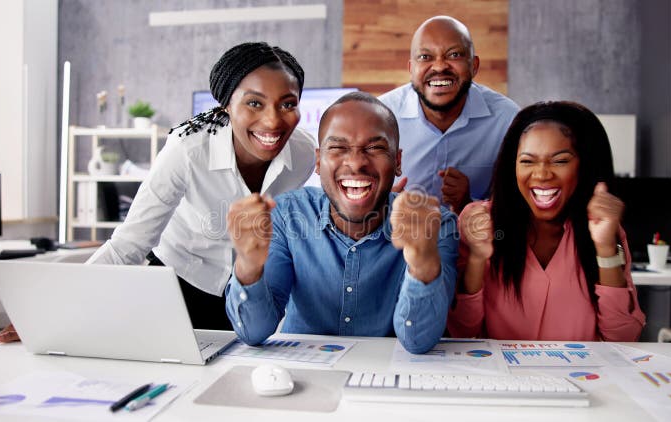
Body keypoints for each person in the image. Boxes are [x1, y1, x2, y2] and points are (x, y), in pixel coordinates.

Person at [0, 42, 315, 342]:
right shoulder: (188, 150)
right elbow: (127, 245)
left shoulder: (302, 154)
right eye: (254, 102)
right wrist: (52, 314)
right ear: (227, 104)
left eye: (288, 104)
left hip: (249, 292)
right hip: (177, 286)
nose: (273, 120)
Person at [224, 92, 458, 354]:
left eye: (375, 148)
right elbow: (253, 333)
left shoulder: (436, 226)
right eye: (338, 148)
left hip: (383, 378)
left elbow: (418, 340)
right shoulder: (287, 217)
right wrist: (247, 265)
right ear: (318, 161)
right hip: (302, 376)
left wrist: (423, 263)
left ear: (398, 161)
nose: (356, 163)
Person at [447, 101, 646, 341]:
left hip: (580, 376)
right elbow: (462, 332)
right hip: (503, 377)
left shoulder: (602, 228)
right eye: (527, 161)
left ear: (583, 167)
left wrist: (605, 249)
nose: (541, 174)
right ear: (512, 167)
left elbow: (622, 338)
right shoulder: (479, 221)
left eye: (560, 161)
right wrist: (478, 259)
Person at [379, 16, 519, 214]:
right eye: (425, 57)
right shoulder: (381, 116)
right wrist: (379, 206)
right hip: (395, 239)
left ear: (474, 66)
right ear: (411, 69)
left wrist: (469, 204)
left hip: (475, 241)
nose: (439, 66)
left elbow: (518, 206)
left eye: (454, 55)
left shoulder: (506, 120)